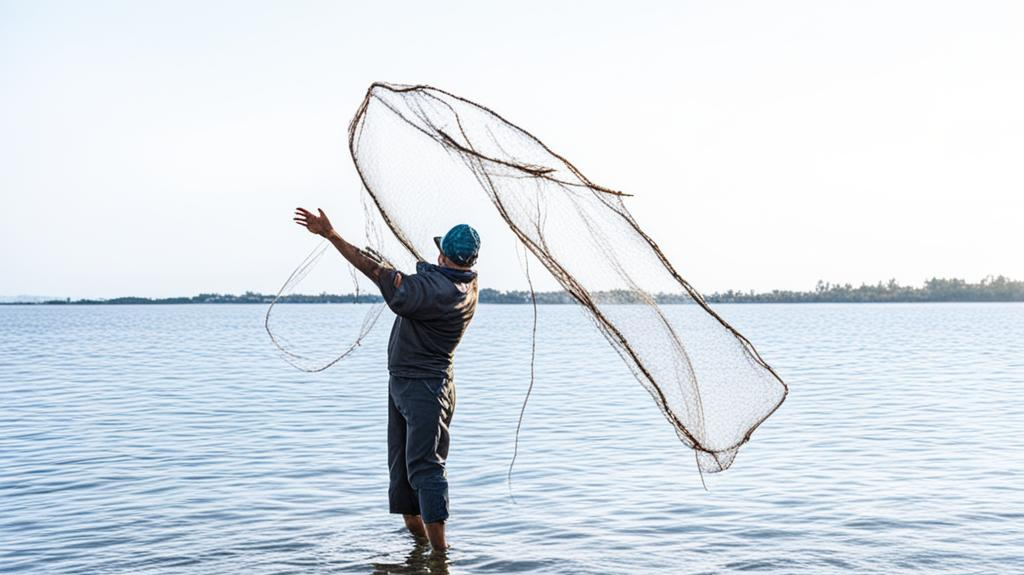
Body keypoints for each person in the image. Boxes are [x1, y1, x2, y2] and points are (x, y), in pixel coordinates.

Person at [293, 207, 480, 553]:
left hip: (425, 389)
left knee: (426, 470)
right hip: (407, 386)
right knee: (404, 480)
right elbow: (401, 277)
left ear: (443, 255)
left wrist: (332, 236)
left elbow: (381, 274)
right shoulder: (464, 283)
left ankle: (441, 557)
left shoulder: (438, 292)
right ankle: (419, 553)